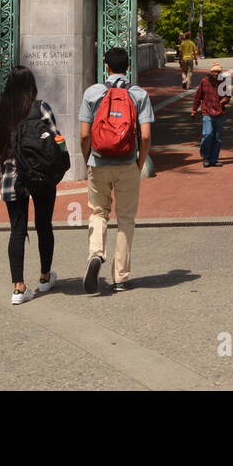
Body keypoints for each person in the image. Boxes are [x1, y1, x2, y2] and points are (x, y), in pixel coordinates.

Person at [78, 47, 154, 294]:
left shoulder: (93, 92)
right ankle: (121, 277)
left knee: (98, 212)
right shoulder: (138, 94)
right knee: (125, 219)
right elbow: (145, 136)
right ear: (128, 66)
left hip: (98, 163)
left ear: (106, 66)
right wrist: (139, 163)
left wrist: (87, 158)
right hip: (127, 163)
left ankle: (96, 254)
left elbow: (84, 134)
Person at [0, 66, 63, 305]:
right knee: (44, 224)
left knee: (17, 231)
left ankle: (18, 288)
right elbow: (57, 138)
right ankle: (45, 277)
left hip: (12, 177)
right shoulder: (40, 107)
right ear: (31, 86)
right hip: (40, 175)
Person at [191, 62, 231, 167]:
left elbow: (228, 96)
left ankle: (214, 159)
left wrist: (224, 101)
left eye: (218, 71)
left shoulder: (224, 82)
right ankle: (205, 157)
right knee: (207, 134)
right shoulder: (204, 81)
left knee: (217, 138)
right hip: (207, 112)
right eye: (214, 71)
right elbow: (197, 97)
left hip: (219, 113)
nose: (216, 73)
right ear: (210, 72)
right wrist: (194, 110)